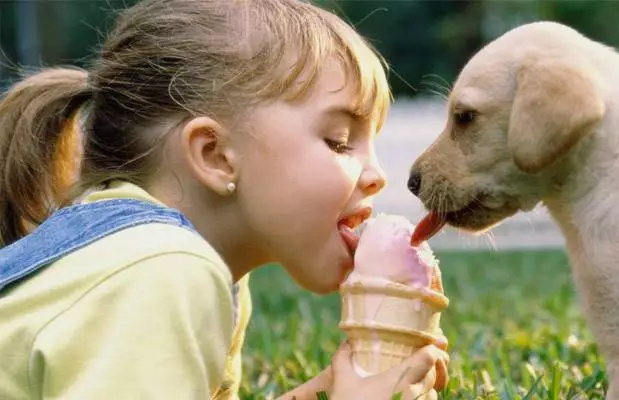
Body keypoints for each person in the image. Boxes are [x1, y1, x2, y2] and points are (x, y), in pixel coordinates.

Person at [0, 0, 449, 399]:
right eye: (338, 141)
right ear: (214, 155)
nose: (378, 176)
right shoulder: (162, 269)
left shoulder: (180, 266)